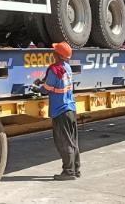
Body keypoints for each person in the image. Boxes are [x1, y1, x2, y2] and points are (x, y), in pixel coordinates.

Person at [34, 41, 80, 181]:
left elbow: (47, 88)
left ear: (58, 55)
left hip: (60, 111)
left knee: (63, 142)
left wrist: (37, 88)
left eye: (55, 51)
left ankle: (68, 172)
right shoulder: (67, 67)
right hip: (70, 109)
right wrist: (43, 81)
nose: (52, 52)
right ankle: (75, 169)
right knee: (72, 142)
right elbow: (56, 82)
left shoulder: (55, 69)